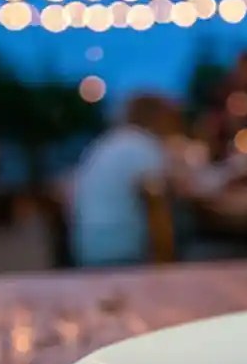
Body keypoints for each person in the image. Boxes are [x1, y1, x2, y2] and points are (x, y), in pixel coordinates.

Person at [69, 94, 182, 267]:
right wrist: (166, 265)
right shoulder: (143, 145)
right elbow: (156, 204)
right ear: (159, 117)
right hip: (121, 250)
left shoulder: (108, 142)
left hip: (87, 247)